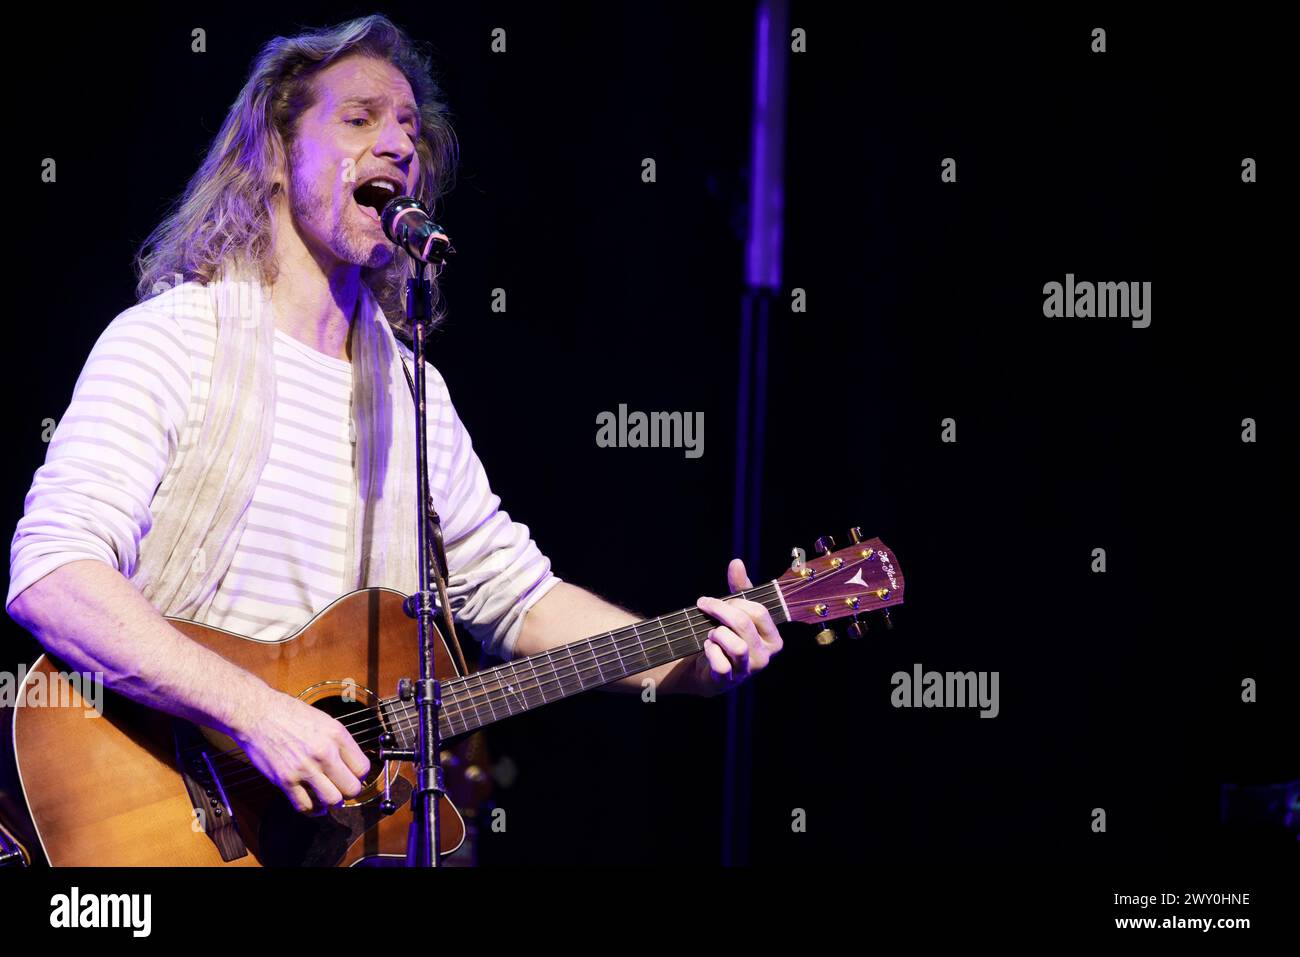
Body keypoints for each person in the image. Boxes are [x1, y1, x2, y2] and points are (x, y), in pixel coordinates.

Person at [5, 15, 782, 818]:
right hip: (157, 810)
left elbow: (517, 598)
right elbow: (53, 577)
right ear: (274, 155)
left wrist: (681, 659)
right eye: (359, 118)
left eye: (410, 128)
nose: (399, 145)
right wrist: (256, 714)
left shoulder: (415, 396)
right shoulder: (172, 341)